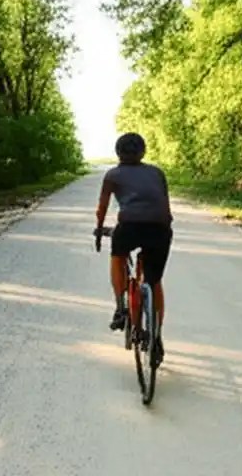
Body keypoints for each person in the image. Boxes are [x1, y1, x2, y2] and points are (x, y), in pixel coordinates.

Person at [95, 132, 173, 358]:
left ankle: (120, 307)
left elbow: (102, 208)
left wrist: (100, 231)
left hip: (129, 227)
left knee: (118, 256)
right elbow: (164, 208)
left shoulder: (113, 174)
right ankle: (156, 336)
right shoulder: (157, 173)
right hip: (160, 229)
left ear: (118, 152)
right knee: (154, 280)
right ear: (143, 151)